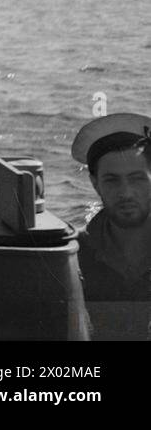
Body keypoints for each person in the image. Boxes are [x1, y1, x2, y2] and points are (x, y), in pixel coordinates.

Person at [71, 112, 150, 341]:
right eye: (112, 180)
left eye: (137, 178)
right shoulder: (75, 257)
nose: (126, 193)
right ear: (95, 184)